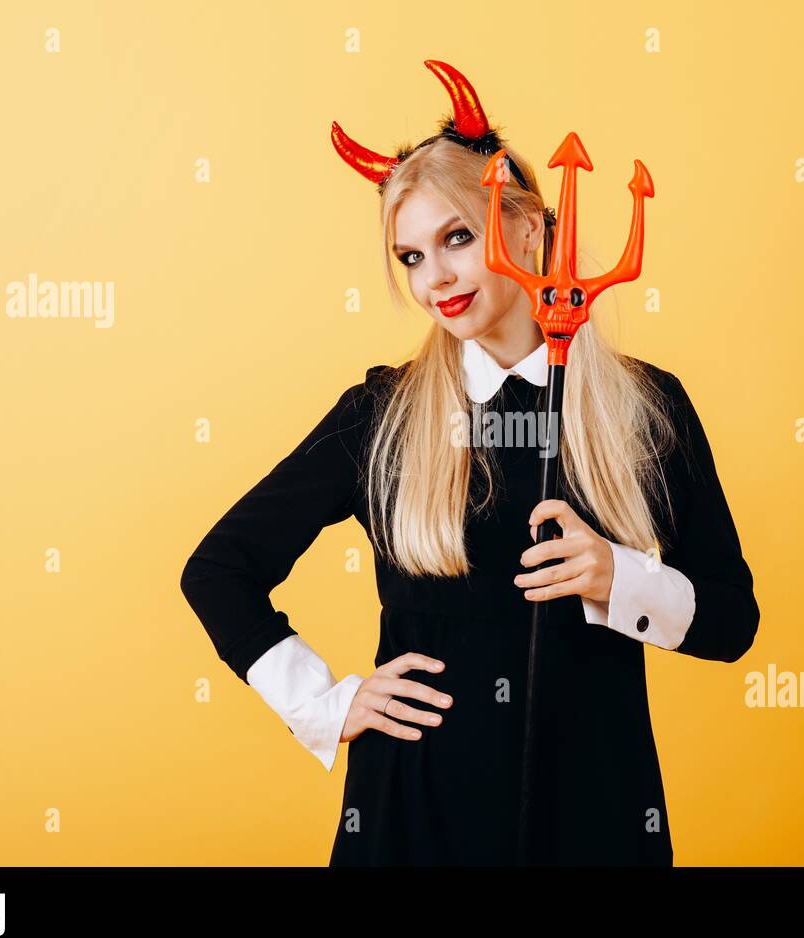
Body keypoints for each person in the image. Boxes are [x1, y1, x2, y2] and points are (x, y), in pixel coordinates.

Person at [179, 60, 760, 866]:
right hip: (418, 806)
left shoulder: (644, 407)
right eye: (410, 256)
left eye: (457, 237)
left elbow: (733, 622)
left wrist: (617, 577)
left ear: (528, 230)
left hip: (595, 801)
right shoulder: (381, 415)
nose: (436, 278)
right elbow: (217, 568)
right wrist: (326, 702)